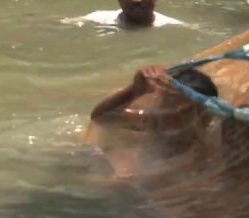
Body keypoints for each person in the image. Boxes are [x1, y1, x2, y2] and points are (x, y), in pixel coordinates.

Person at [90, 64, 218, 159]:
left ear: (206, 117)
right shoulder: (152, 120)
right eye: (169, 102)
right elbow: (101, 118)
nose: (177, 111)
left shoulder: (203, 143)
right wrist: (134, 91)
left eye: (186, 111)